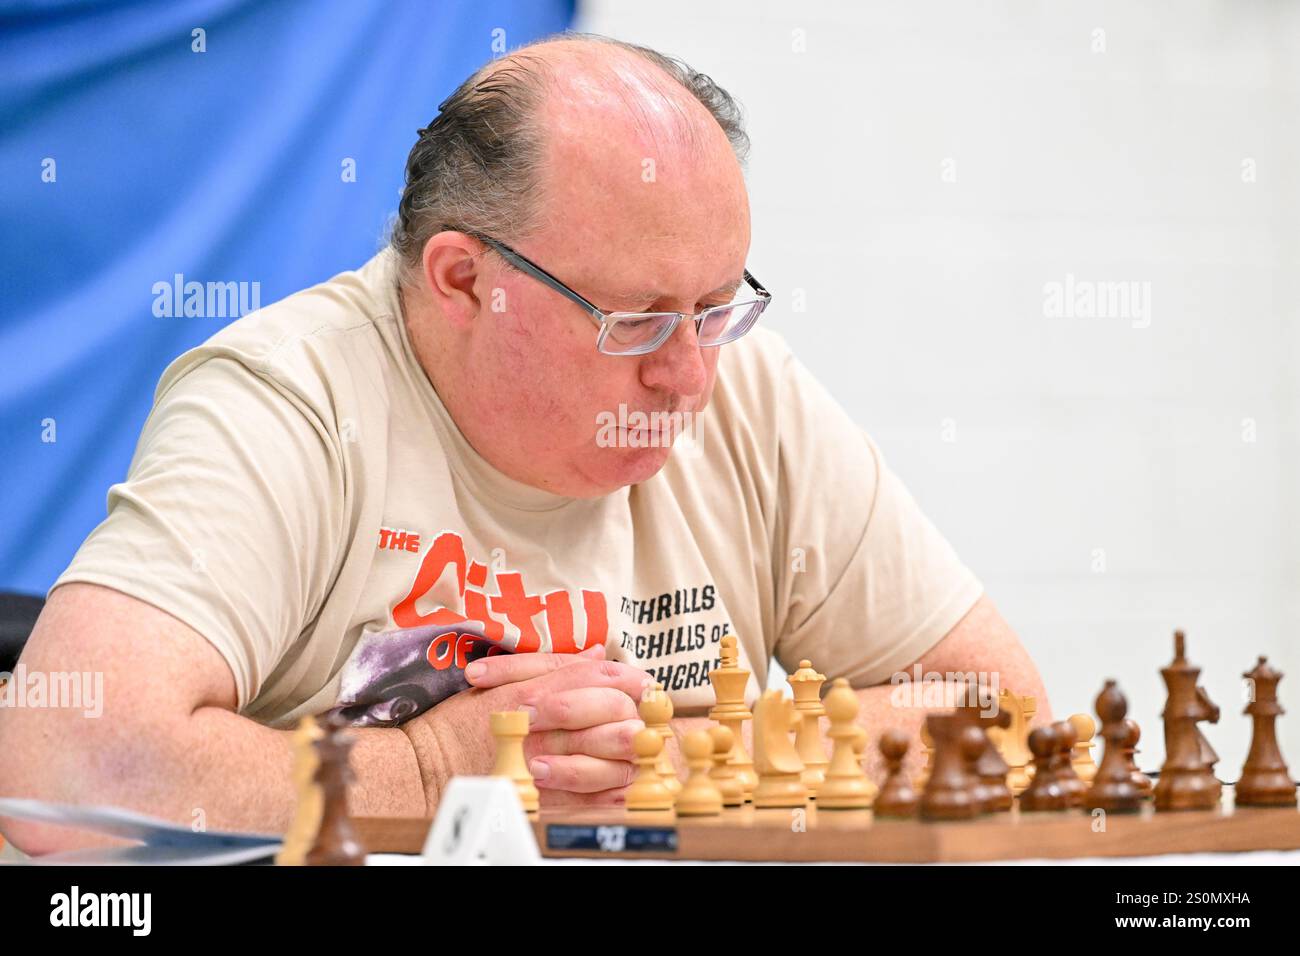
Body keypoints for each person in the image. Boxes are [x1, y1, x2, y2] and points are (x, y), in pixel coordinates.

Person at [0, 34, 1049, 854]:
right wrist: (436, 769)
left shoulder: (748, 394)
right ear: (463, 280)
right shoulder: (292, 400)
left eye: (720, 308)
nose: (688, 374)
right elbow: (63, 764)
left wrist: (669, 756)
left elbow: (1001, 710)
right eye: (633, 320)